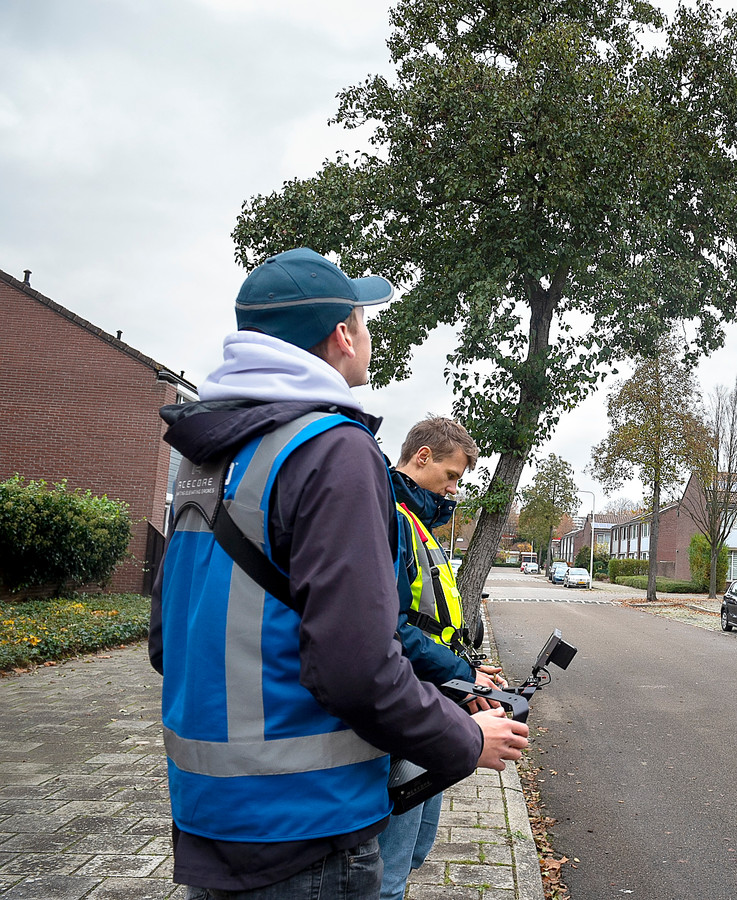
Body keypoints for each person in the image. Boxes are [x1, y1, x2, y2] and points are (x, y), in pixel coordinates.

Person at [149, 247, 529, 899]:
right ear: (342, 335)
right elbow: (356, 667)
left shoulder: (204, 462)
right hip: (307, 827)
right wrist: (464, 737)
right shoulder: (333, 450)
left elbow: (166, 645)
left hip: (208, 820)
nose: (369, 335)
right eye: (366, 319)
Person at [379, 416, 504, 900]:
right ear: (422, 457)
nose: (454, 490)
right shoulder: (389, 518)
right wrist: (463, 673)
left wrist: (468, 670)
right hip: (406, 700)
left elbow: (431, 616)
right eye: (452, 476)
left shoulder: (419, 523)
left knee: (415, 847)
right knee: (391, 859)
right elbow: (392, 628)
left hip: (434, 693)